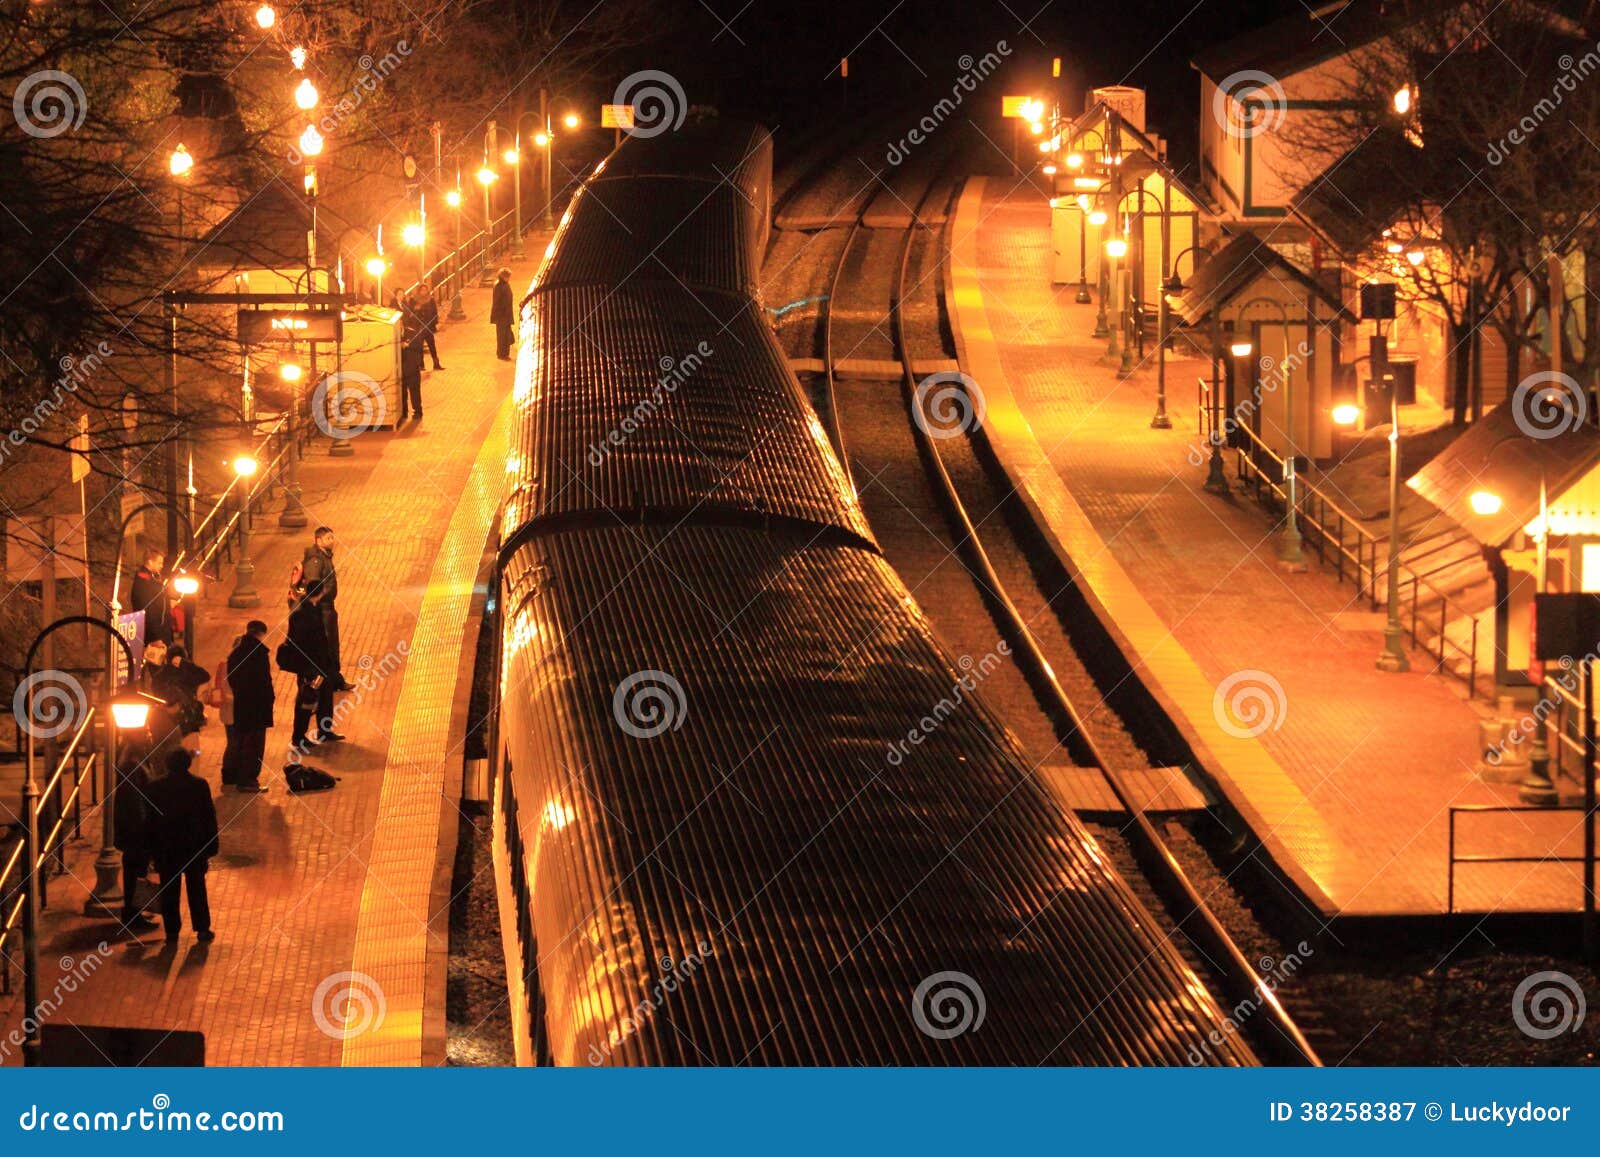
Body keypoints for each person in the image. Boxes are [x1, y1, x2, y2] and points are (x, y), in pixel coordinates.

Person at [144, 747, 217, 945]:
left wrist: (150, 849)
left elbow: (150, 820)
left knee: (169, 891)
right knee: (197, 889)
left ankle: (172, 931)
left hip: (167, 848)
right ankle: (202, 928)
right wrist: (211, 845)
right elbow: (208, 816)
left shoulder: (155, 787)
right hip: (194, 847)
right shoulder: (199, 785)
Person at [284, 580, 344, 759]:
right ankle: (298, 736)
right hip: (310, 667)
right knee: (306, 700)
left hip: (319, 665)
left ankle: (324, 731)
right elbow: (308, 642)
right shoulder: (305, 614)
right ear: (321, 592)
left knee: (325, 696)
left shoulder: (309, 608)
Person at [298, 526, 353, 691]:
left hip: (328, 609)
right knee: (325, 648)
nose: (332, 541)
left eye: (332, 538)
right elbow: (313, 587)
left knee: (331, 647)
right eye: (328, 538)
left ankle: (335, 680)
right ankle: (323, 684)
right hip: (322, 610)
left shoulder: (324, 557)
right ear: (318, 540)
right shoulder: (315, 560)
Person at [222, 621, 273, 793]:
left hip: (242, 705)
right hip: (257, 707)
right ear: (261, 633)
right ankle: (248, 780)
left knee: (241, 742)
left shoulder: (236, 654)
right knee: (254, 746)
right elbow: (264, 682)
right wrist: (268, 700)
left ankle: (237, 777)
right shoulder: (259, 653)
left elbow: (233, 678)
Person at [112, 742, 158, 933]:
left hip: (130, 831)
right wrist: (146, 832)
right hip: (135, 832)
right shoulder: (133, 766)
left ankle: (135, 910)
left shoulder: (129, 764)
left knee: (135, 872)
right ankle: (133, 913)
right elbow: (137, 803)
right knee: (136, 872)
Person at [155, 645, 210, 733]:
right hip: (188, 720)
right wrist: (185, 664)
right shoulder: (188, 673)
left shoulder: (160, 675)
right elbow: (205, 676)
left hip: (167, 720)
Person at [130, 550, 172, 645]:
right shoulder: (143, 581)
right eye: (159, 563)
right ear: (150, 561)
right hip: (153, 634)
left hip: (160, 629)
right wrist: (155, 637)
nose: (162, 565)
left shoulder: (154, 577)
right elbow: (147, 609)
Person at [415, 282, 443, 370]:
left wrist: (433, 323)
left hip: (428, 327)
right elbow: (412, 313)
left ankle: (436, 364)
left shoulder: (431, 299)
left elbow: (434, 312)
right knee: (419, 347)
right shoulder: (414, 299)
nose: (423, 292)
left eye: (425, 290)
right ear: (419, 291)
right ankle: (421, 365)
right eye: (422, 290)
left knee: (432, 346)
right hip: (419, 328)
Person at [490, 267, 514, 360]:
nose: (508, 278)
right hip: (502, 315)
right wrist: (497, 315)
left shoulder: (505, 284)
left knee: (505, 335)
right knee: (502, 336)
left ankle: (504, 353)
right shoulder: (499, 286)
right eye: (507, 276)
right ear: (503, 276)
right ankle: (502, 354)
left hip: (506, 315)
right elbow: (497, 302)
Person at [399, 333, 424, 422]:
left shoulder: (412, 334)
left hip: (412, 370)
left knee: (414, 392)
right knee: (402, 393)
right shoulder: (394, 339)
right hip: (402, 371)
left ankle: (417, 411)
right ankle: (404, 412)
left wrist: (408, 346)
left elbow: (418, 348)